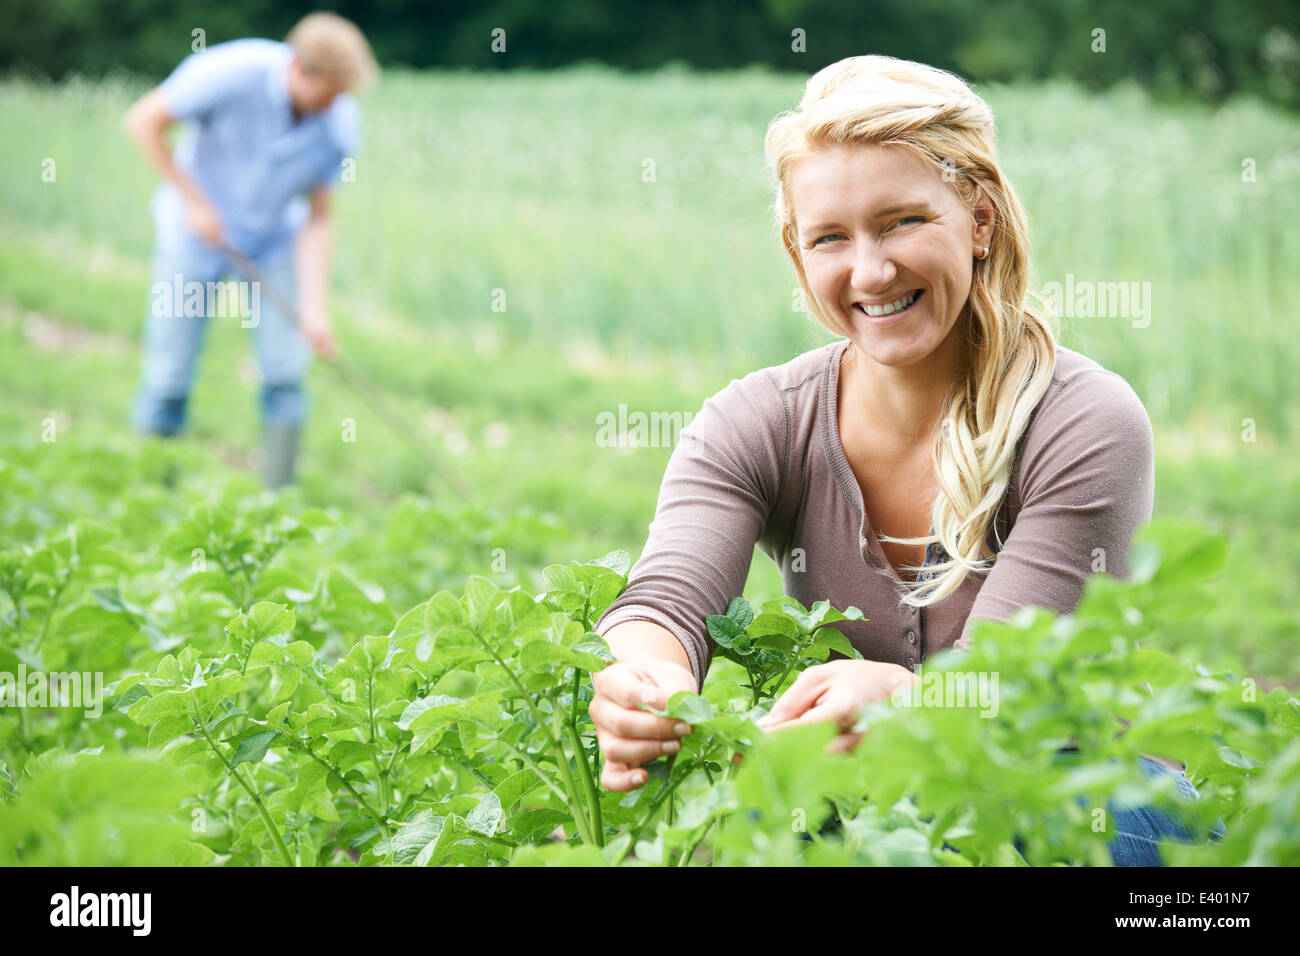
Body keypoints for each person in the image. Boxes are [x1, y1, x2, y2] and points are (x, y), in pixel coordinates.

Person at [589, 54, 1218, 865]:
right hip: (865, 807)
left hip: (1071, 803)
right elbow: (666, 600)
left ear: (980, 219)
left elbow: (1013, 689)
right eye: (831, 238)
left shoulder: (1085, 420)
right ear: (796, 252)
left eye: (903, 222)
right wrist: (647, 684)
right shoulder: (755, 423)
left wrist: (899, 698)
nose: (872, 270)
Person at [123, 12, 378, 487]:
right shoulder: (229, 73)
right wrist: (194, 201)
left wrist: (315, 309)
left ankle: (277, 505)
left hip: (272, 243)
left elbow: (319, 219)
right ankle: (149, 495)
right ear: (302, 70)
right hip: (193, 238)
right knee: (169, 374)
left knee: (285, 374)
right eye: (330, 93)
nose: (336, 104)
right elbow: (142, 122)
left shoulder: (338, 123)